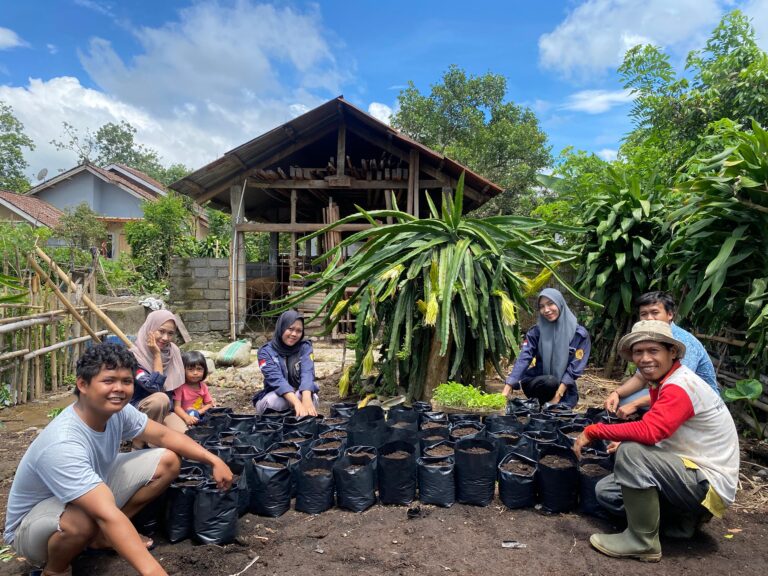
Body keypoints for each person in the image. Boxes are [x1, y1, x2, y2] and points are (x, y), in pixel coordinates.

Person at [3, 343, 233, 576]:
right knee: (84, 519)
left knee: (168, 461)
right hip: (31, 528)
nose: (119, 389)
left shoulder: (117, 412)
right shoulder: (63, 442)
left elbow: (163, 435)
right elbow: (105, 512)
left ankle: (102, 537)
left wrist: (212, 459)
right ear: (82, 384)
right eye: (108, 380)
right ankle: (55, 570)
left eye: (126, 381)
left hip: (84, 492)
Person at [573, 320, 739, 562]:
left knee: (631, 453)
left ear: (671, 352)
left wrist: (595, 430)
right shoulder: (664, 382)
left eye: (653, 351)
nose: (645, 358)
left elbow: (652, 431)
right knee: (607, 492)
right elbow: (663, 429)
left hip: (708, 482)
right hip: (690, 471)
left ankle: (642, 542)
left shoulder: (680, 386)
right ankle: (684, 519)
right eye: (638, 352)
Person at [605, 291, 719, 419]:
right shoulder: (650, 337)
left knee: (632, 405)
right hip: (666, 390)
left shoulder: (683, 342)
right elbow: (640, 377)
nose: (649, 318)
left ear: (670, 314)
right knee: (622, 402)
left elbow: (681, 389)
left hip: (699, 401)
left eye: (654, 313)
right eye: (644, 314)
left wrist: (635, 404)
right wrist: (616, 393)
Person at [503, 288, 590, 408]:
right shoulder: (536, 332)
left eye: (550, 304)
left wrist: (556, 398)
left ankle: (549, 405)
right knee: (550, 381)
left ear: (560, 303)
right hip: (538, 383)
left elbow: (575, 368)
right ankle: (541, 404)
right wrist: (508, 387)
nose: (546, 310)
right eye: (542, 306)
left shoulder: (579, 334)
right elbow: (524, 358)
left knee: (560, 412)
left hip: (564, 389)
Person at [129, 310, 187, 445]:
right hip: (139, 411)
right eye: (161, 331)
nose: (165, 338)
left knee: (184, 437)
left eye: (170, 333)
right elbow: (154, 388)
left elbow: (179, 387)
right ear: (150, 328)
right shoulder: (134, 357)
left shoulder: (173, 351)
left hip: (166, 410)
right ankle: (137, 444)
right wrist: (156, 355)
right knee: (160, 399)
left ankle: (154, 440)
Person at [253, 309, 319, 417]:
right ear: (281, 327)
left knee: (311, 397)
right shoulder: (265, 352)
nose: (294, 334)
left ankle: (301, 421)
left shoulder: (305, 347)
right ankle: (277, 425)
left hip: (298, 393)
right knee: (273, 401)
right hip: (276, 397)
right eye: (290, 329)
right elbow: (276, 379)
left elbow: (308, 372)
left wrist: (306, 399)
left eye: (299, 331)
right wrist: (297, 403)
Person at [165, 351, 216, 432]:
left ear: (204, 370)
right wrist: (186, 417)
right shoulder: (180, 387)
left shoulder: (203, 386)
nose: (195, 373)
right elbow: (176, 407)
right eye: (190, 369)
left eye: (199, 369)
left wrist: (199, 412)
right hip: (183, 416)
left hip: (198, 415)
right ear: (183, 370)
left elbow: (209, 404)